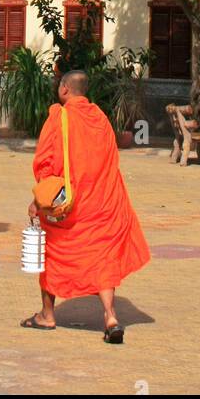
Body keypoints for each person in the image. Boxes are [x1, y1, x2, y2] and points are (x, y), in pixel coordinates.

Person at [21, 70, 151, 343]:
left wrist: (38, 200)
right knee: (102, 258)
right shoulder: (100, 118)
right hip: (102, 202)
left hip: (69, 205)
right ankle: (110, 315)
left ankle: (47, 315)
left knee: (51, 252)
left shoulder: (60, 116)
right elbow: (109, 159)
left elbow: (47, 163)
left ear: (65, 89)